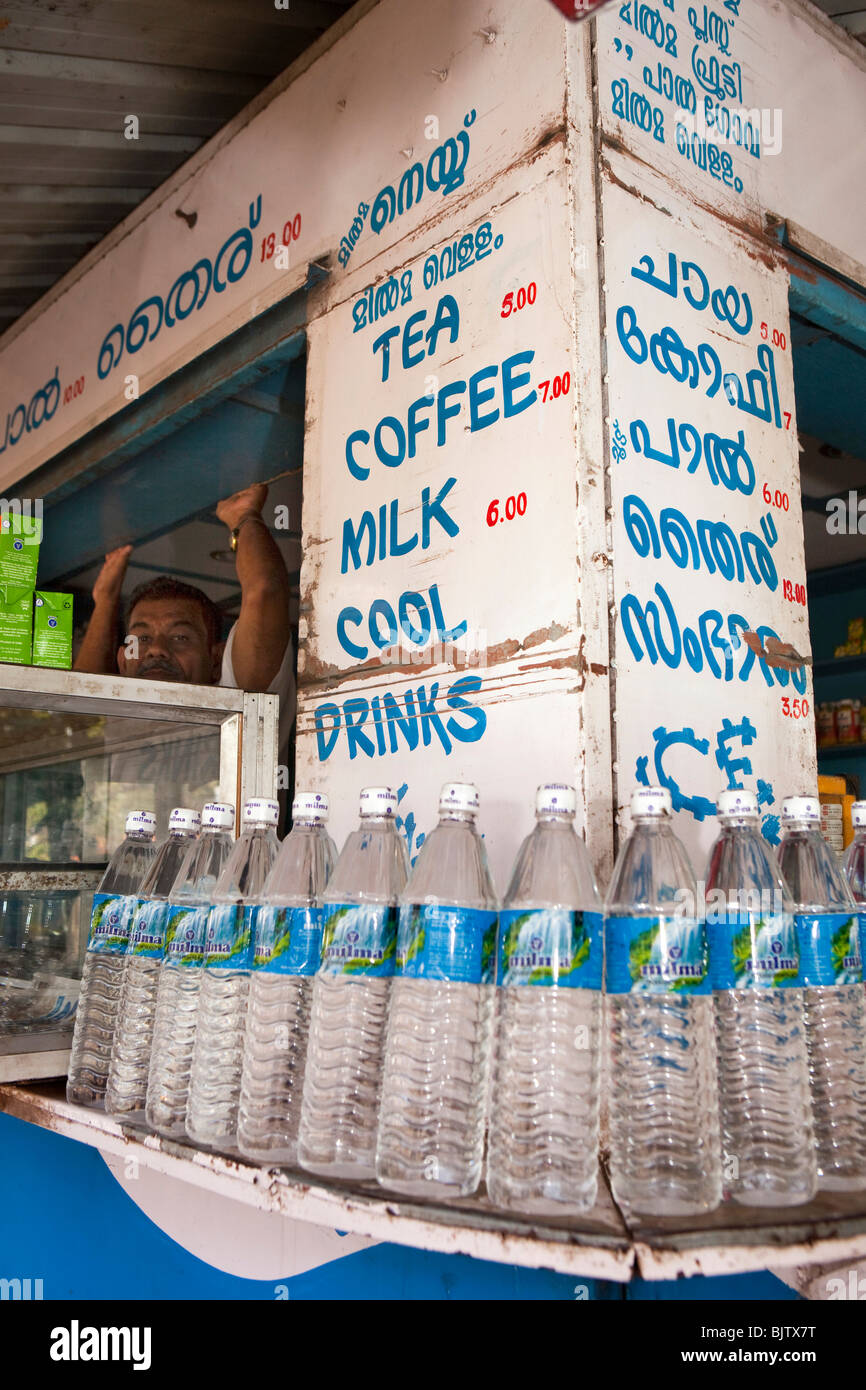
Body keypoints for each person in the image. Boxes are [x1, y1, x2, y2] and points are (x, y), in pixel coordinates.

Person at [74, 484, 295, 761]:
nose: (157, 650)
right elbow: (76, 699)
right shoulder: (115, 720)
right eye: (142, 639)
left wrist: (244, 516)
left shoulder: (235, 703)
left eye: (180, 637)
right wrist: (105, 601)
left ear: (215, 660)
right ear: (122, 661)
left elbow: (265, 590)